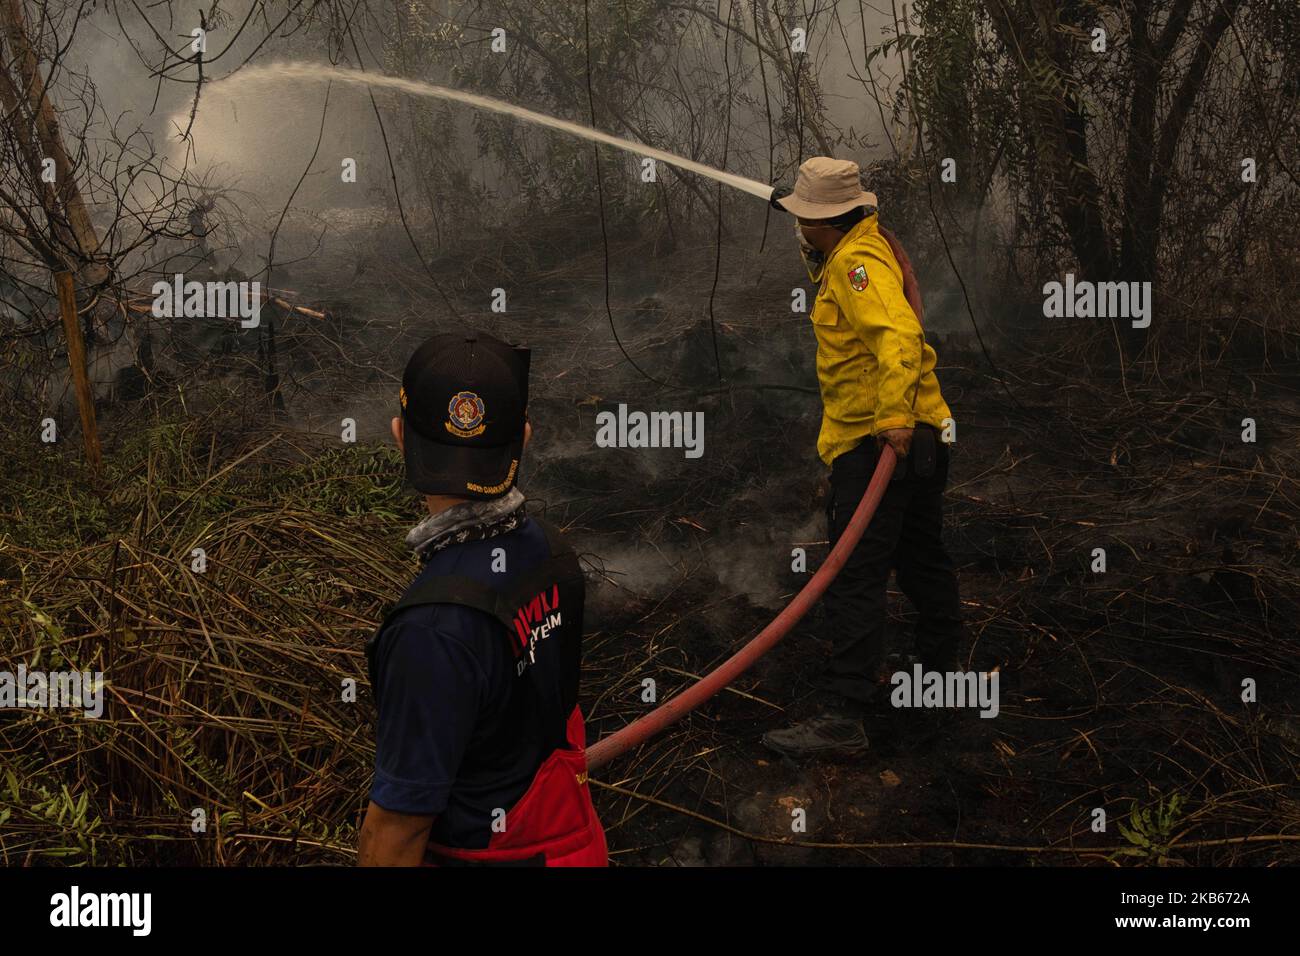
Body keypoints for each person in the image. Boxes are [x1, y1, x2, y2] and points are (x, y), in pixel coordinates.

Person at [357, 331, 607, 865]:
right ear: (524, 436)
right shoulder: (551, 550)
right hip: (571, 843)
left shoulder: (430, 631)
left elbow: (396, 832)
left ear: (401, 437)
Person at [761, 157, 964, 760]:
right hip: (920, 439)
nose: (801, 227)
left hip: (877, 444)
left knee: (854, 575)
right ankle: (938, 674)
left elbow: (899, 337)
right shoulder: (858, 248)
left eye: (806, 218)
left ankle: (844, 716)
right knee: (922, 557)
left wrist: (893, 419)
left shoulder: (854, 265)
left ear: (826, 221)